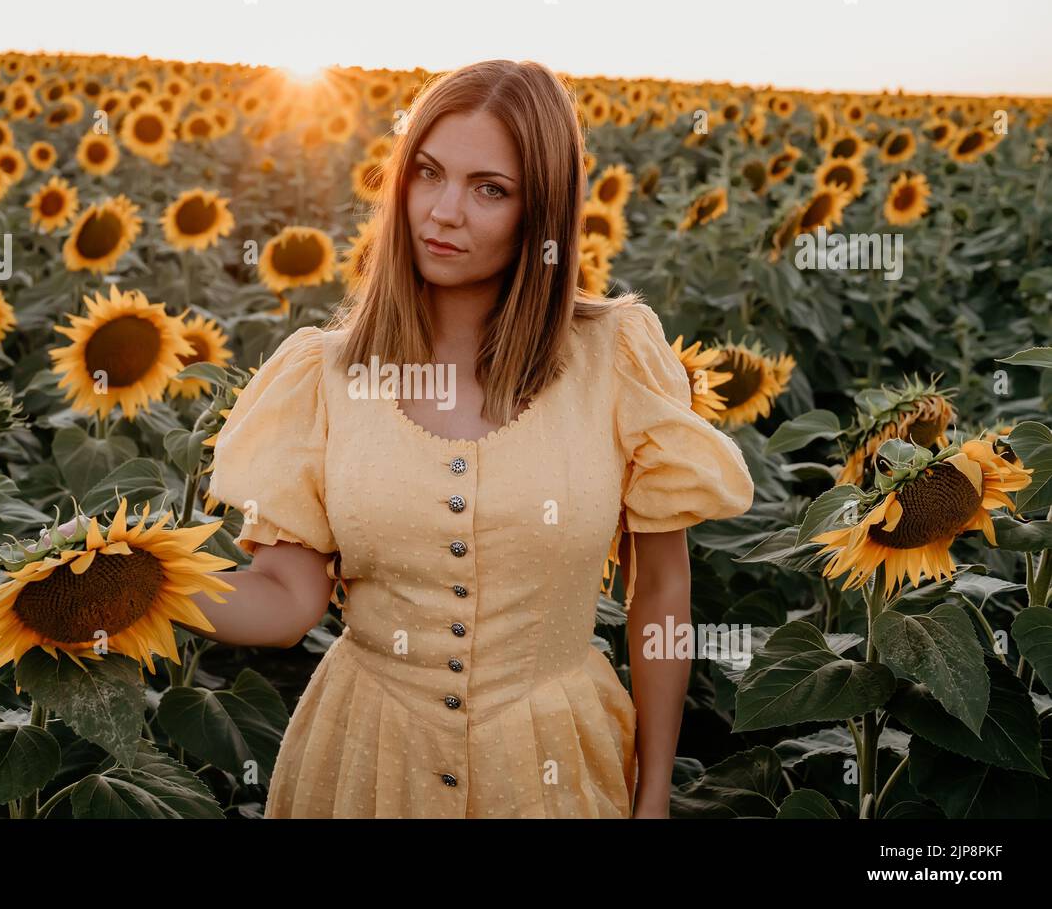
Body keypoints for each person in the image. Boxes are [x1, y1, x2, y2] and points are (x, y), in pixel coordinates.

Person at [194, 59, 754, 818]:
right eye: (427, 173)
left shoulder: (615, 360)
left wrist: (653, 794)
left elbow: (660, 592)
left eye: (490, 189)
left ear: (543, 213)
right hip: (366, 764)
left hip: (553, 762)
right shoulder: (324, 373)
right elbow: (288, 598)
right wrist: (130, 588)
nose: (444, 211)